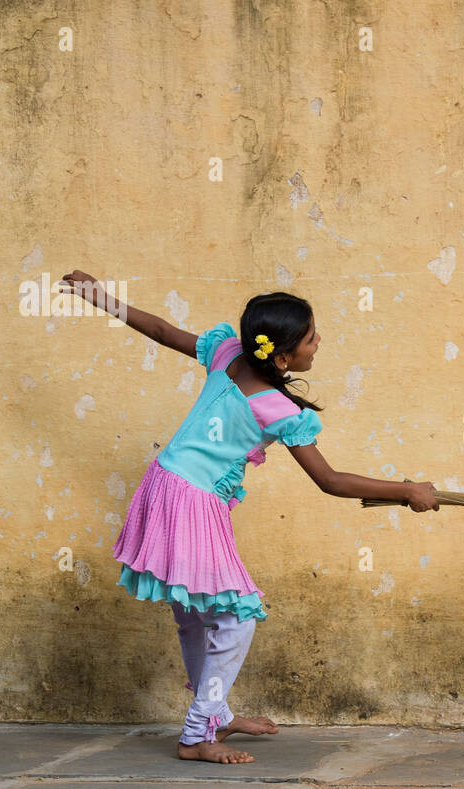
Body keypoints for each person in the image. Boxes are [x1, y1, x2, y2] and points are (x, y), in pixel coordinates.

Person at [58, 273, 439, 763]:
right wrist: (407, 489)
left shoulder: (229, 355)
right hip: (190, 498)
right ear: (282, 358)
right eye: (310, 338)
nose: (318, 342)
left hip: (165, 483)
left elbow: (163, 332)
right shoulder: (276, 408)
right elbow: (331, 480)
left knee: (196, 616)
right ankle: (197, 735)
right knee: (236, 616)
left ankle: (213, 715)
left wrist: (103, 299)